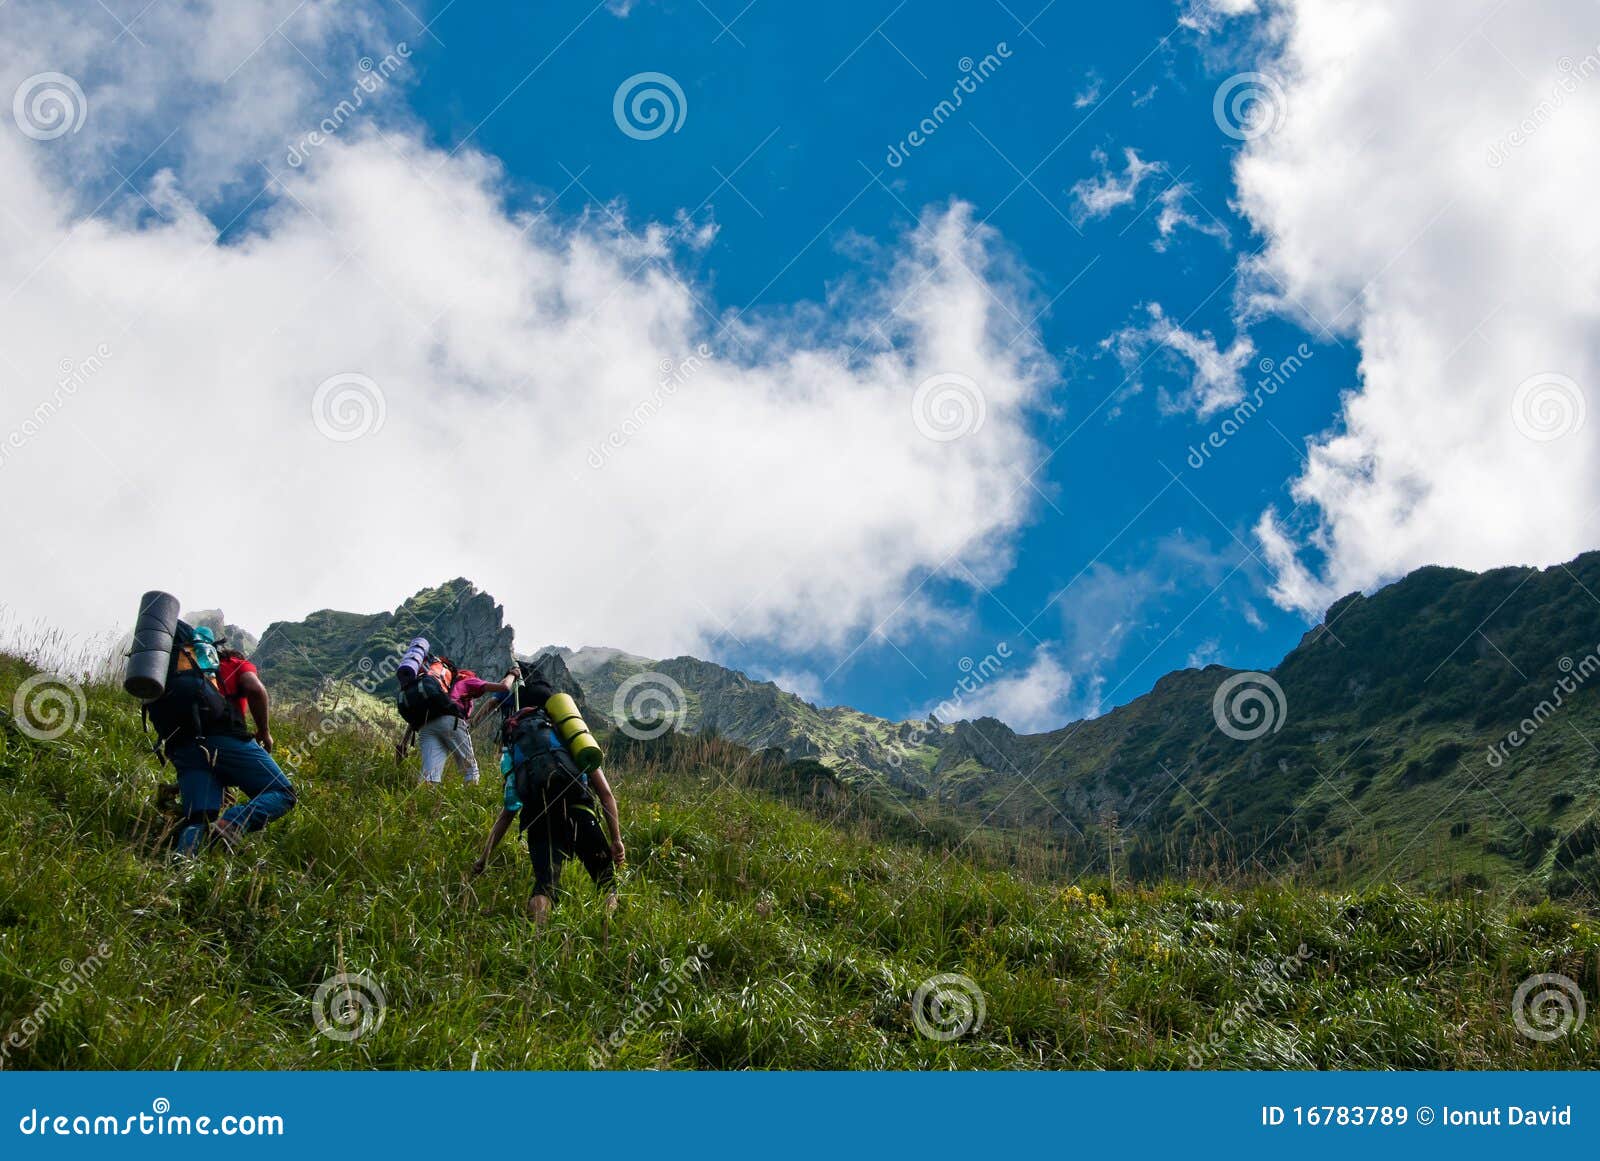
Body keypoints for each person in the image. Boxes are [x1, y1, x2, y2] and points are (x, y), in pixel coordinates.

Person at [470, 670, 624, 929]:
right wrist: (616, 839)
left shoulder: (515, 750)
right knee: (607, 883)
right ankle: (606, 935)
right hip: (579, 809)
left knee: (545, 887)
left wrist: (484, 857)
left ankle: (536, 943)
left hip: (537, 815)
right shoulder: (569, 737)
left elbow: (508, 811)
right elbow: (606, 794)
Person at [164, 631, 296, 855]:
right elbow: (255, 689)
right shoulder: (234, 663)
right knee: (282, 793)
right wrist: (264, 731)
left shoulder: (176, 670)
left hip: (184, 747)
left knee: (199, 817)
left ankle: (182, 867)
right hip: (225, 738)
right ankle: (232, 823)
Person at [396, 658, 515, 787]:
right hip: (450, 721)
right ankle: (469, 802)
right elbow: (504, 687)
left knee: (429, 775)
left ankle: (422, 805)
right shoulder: (467, 680)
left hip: (425, 727)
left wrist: (403, 743)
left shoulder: (439, 689)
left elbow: (416, 718)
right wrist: (512, 674)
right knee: (470, 770)